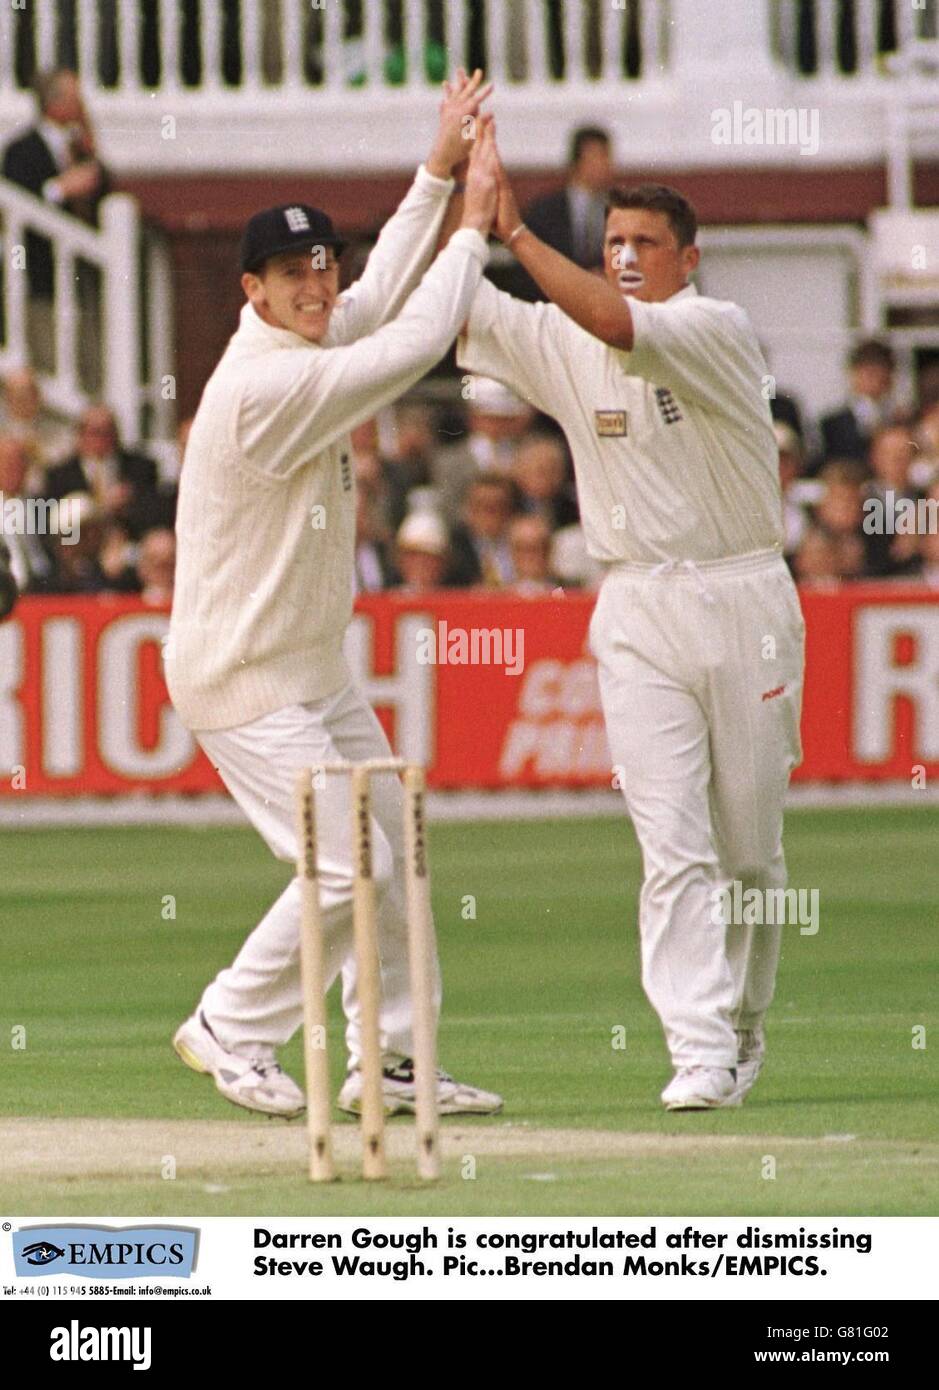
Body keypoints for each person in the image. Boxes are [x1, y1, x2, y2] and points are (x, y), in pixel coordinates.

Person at [165, 73, 502, 1121]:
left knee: (395, 848)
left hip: (310, 667)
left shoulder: (309, 336)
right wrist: (474, 230)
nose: (317, 283)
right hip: (243, 677)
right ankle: (228, 1022)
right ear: (250, 291)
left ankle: (391, 1059)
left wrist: (437, 169)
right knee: (351, 865)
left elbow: (383, 292)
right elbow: (406, 342)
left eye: (322, 264)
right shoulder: (266, 384)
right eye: (291, 272)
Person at [458, 159, 805, 1111]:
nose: (623, 258)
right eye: (611, 242)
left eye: (644, 244)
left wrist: (517, 235)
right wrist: (461, 199)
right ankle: (696, 1047)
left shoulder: (713, 327)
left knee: (748, 854)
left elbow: (616, 324)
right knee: (672, 845)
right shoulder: (564, 334)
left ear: (687, 258)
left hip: (741, 597)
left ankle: (741, 1022)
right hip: (635, 605)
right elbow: (457, 310)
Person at [2, 69, 109, 384]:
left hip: (84, 275)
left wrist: (92, 151)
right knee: (49, 360)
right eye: (75, 97)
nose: (81, 105)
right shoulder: (21, 149)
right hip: (41, 278)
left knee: (89, 362)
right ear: (53, 103)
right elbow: (16, 200)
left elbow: (105, 190)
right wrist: (59, 190)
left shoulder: (80, 146)